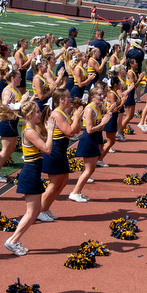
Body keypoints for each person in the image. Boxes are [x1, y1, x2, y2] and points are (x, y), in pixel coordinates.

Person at [6, 99, 52, 255]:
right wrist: (50, 131)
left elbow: (45, 143)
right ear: (30, 115)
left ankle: (14, 240)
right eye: (37, 112)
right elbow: (47, 149)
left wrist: (48, 132)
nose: (40, 114)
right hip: (30, 173)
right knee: (31, 212)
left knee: (35, 211)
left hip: (33, 173)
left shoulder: (32, 130)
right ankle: (12, 240)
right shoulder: (30, 132)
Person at [40, 89, 85, 221]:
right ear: (61, 100)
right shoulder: (57, 114)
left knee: (63, 181)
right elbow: (70, 132)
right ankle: (38, 210)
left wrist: (78, 117)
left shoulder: (64, 113)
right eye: (68, 97)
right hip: (54, 151)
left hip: (61, 151)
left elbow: (76, 131)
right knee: (54, 183)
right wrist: (75, 117)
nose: (71, 99)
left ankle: (45, 208)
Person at [69, 85, 107, 203]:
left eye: (102, 94)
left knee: (91, 169)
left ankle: (78, 192)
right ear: (92, 97)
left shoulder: (98, 107)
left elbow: (99, 128)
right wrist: (103, 122)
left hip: (94, 138)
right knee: (89, 170)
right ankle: (75, 192)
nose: (102, 96)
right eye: (99, 94)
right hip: (88, 139)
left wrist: (105, 120)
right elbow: (89, 129)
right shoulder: (90, 109)